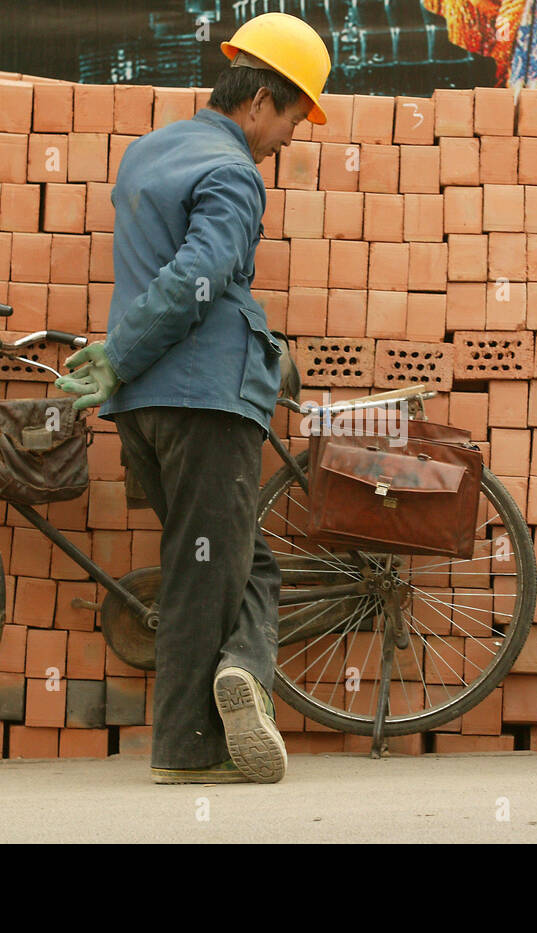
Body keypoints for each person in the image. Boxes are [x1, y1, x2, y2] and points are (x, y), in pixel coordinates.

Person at [54, 12, 330, 784]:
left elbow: (154, 269)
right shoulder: (236, 171)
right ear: (258, 104)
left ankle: (242, 668)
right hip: (206, 399)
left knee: (238, 563)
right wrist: (121, 354)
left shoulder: (147, 152)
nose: (288, 139)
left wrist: (122, 366)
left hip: (142, 410)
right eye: (292, 119)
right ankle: (187, 750)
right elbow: (196, 279)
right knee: (202, 570)